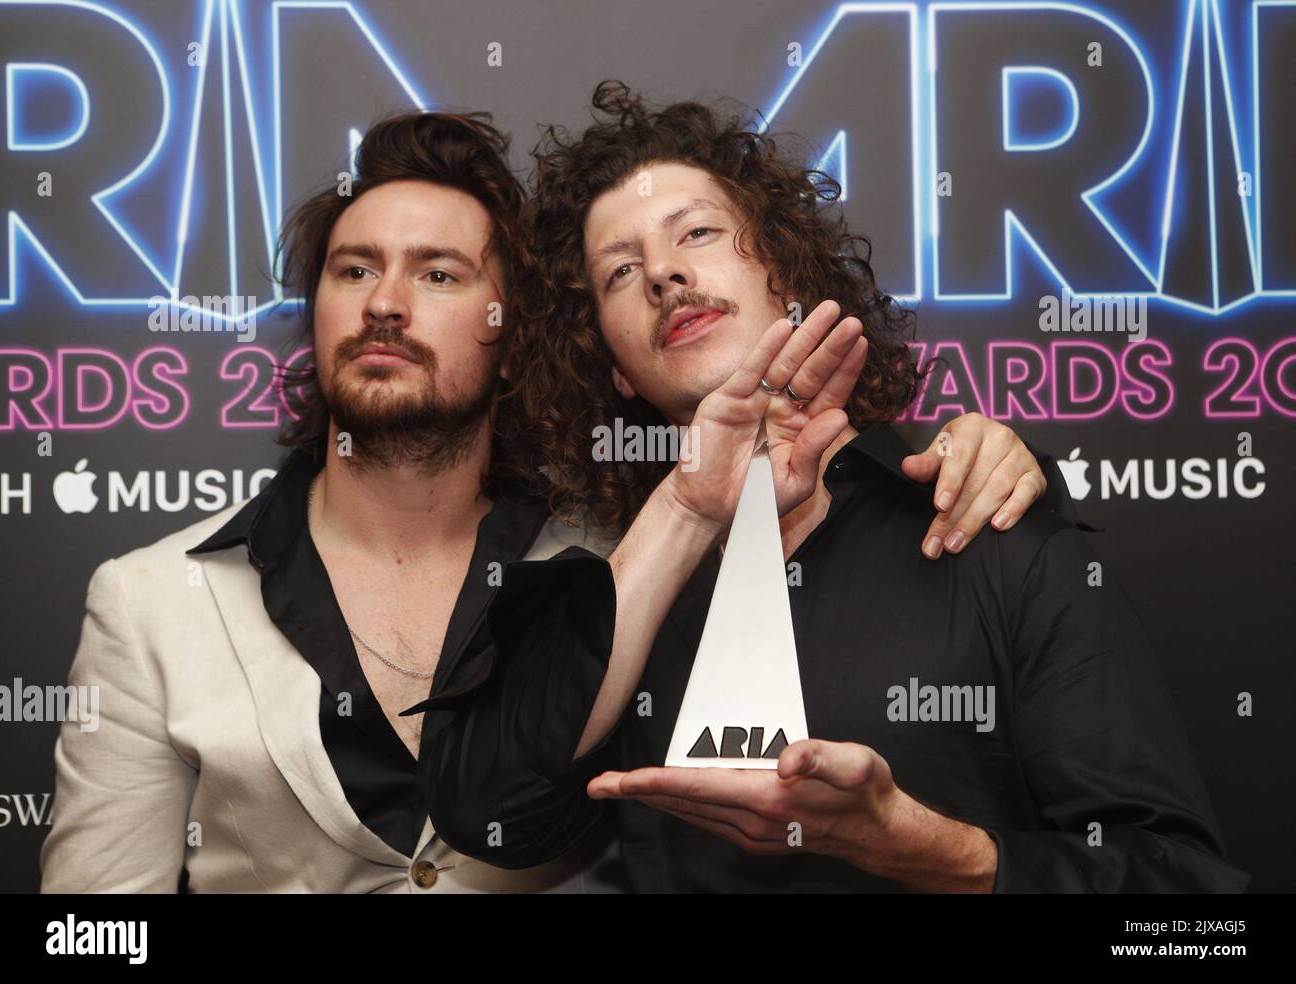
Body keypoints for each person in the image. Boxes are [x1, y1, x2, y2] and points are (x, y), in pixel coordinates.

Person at [39, 108, 1043, 893]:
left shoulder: (627, 560)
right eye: (354, 270)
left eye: (438, 273)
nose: (385, 302)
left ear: (512, 336)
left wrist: (973, 445)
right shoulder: (150, 601)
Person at [419, 82, 1250, 893]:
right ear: (616, 371)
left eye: (697, 233)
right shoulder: (627, 591)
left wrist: (931, 852)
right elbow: (488, 814)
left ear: (787, 272)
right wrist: (689, 506)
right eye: (620, 272)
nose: (663, 274)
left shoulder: (989, 529)